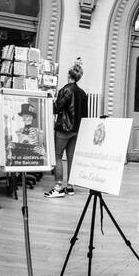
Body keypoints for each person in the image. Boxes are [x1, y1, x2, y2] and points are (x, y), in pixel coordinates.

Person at [46, 60, 87, 198]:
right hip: (76, 130)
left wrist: (51, 98)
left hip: (64, 129)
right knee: (71, 158)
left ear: (69, 75)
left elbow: (56, 109)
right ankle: (70, 187)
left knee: (57, 156)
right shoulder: (82, 93)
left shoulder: (66, 90)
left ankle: (58, 187)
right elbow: (85, 114)